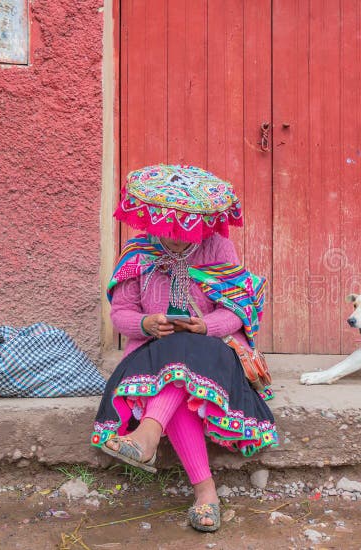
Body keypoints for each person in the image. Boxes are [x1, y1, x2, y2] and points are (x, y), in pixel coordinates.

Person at [91, 165, 277, 532]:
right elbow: (122, 313)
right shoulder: (138, 251)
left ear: (203, 224)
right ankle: (206, 494)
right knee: (175, 379)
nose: (175, 239)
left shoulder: (218, 247)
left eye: (185, 230)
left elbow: (237, 310)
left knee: (182, 365)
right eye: (168, 230)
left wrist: (205, 325)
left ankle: (147, 435)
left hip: (211, 351)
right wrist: (145, 324)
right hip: (152, 352)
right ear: (153, 220)